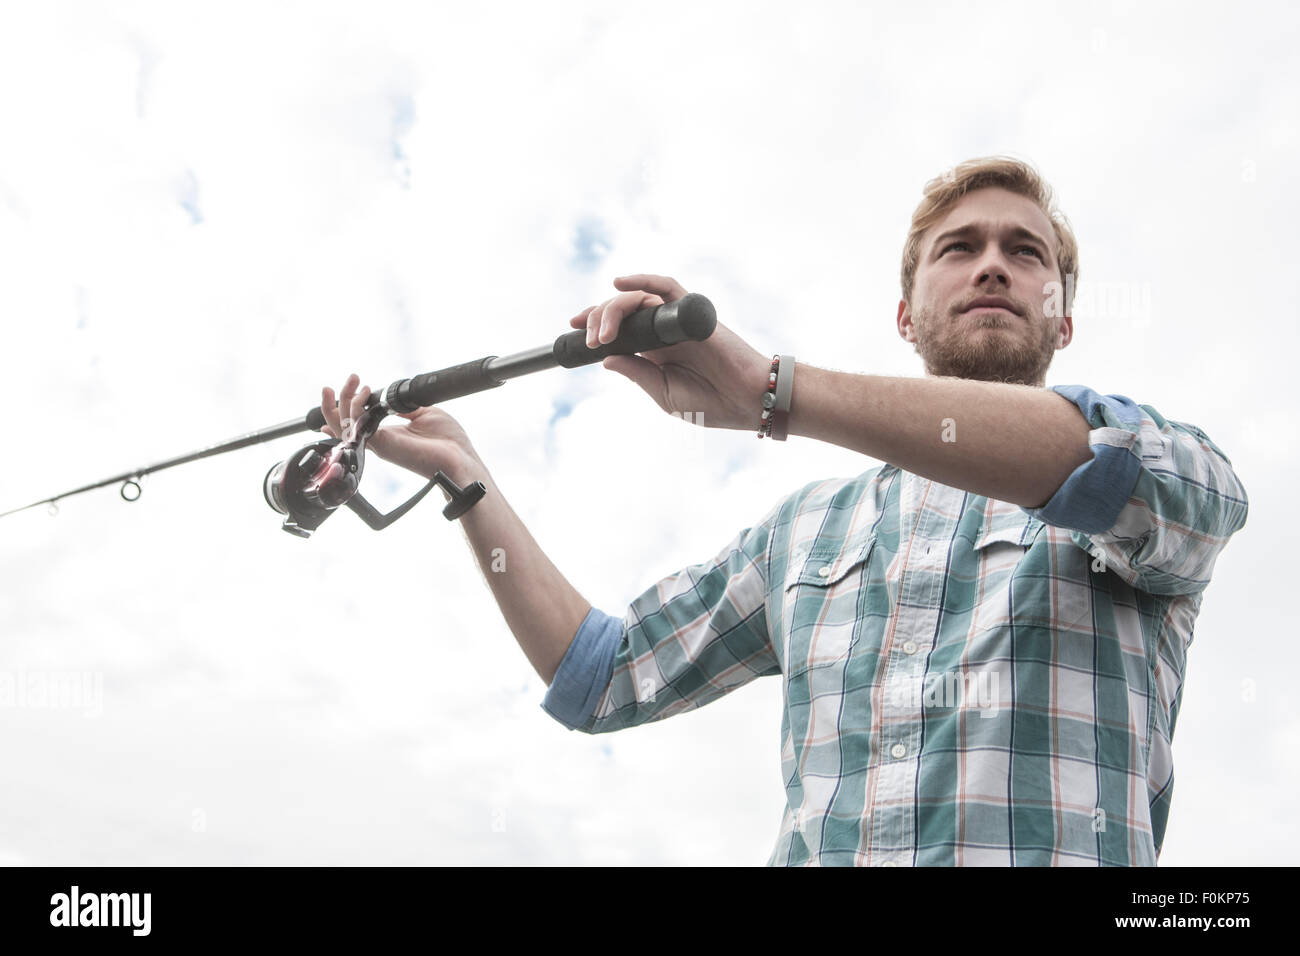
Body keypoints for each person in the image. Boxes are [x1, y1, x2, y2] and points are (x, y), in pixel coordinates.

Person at [319, 155, 1249, 866]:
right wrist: (465, 476)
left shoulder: (1171, 469)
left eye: (1025, 251)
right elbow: (599, 675)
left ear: (1064, 317)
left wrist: (771, 390)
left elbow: (1099, 461)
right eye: (960, 249)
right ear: (904, 314)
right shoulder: (805, 532)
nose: (993, 266)